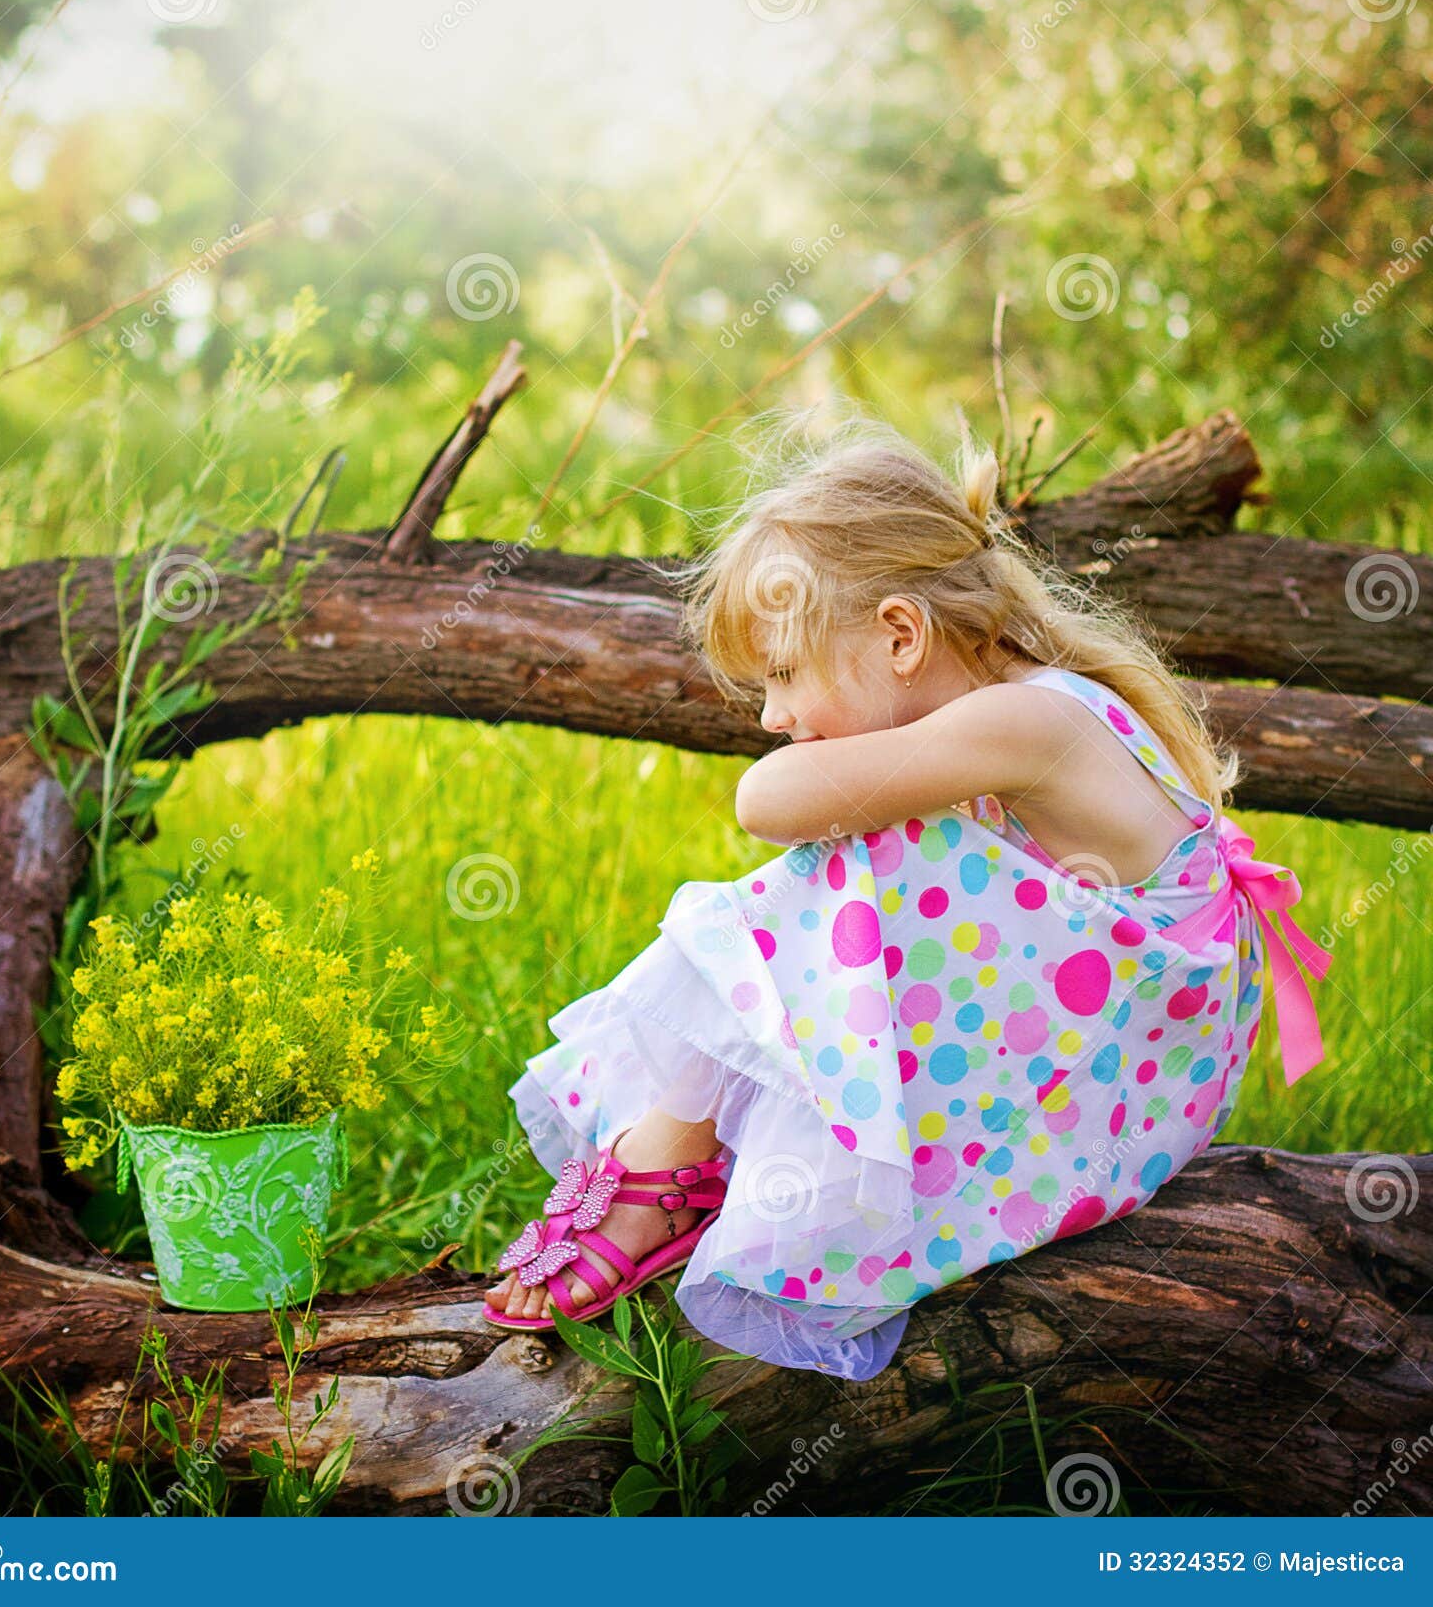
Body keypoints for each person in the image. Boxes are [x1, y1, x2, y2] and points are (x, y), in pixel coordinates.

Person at [482, 405, 1332, 1380]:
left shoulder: (1023, 722)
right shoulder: (1036, 698)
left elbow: (767, 800)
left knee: (863, 854)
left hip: (1119, 1092)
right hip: (1127, 1067)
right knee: (891, 848)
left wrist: (810, 788)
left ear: (899, 633)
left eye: (785, 673)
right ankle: (683, 1159)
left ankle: (660, 1170)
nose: (774, 714)